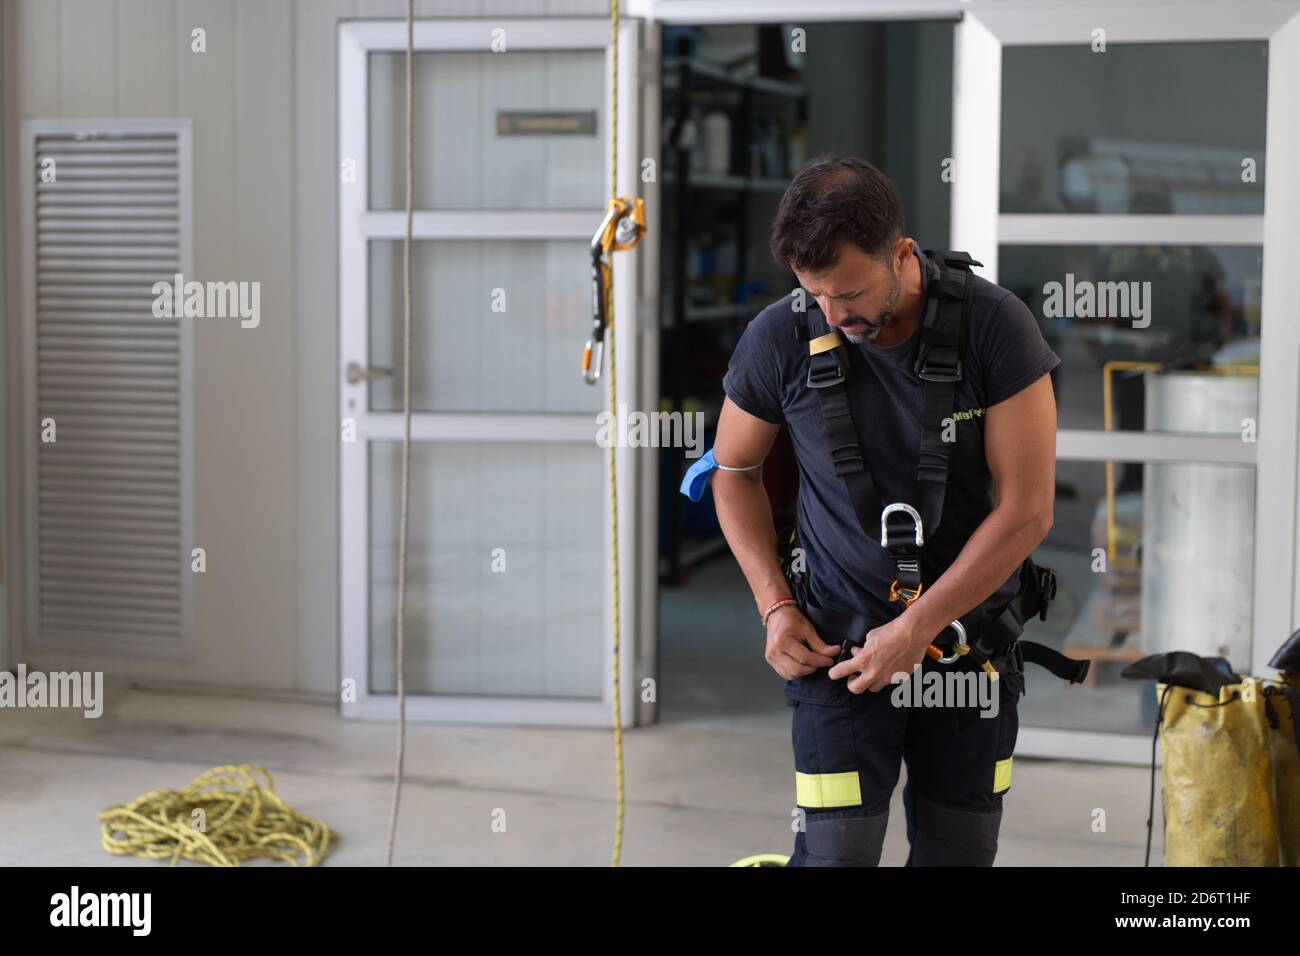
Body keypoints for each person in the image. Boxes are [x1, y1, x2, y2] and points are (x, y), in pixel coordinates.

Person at [711, 156, 1060, 866]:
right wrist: (775, 607)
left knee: (956, 856)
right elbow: (734, 471)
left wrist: (918, 627)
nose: (835, 317)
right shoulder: (781, 336)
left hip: (969, 655)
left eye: (850, 293)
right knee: (835, 856)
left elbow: (1028, 512)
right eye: (815, 295)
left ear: (900, 254)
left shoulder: (995, 327)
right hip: (837, 654)